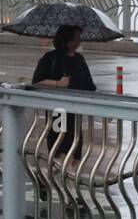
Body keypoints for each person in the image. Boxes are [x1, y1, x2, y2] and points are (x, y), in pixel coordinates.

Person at [31, 23, 96, 169]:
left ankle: (60, 176)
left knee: (75, 149)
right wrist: (57, 84)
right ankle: (61, 180)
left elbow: (89, 86)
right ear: (67, 40)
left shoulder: (79, 59)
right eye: (76, 39)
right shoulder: (50, 58)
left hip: (75, 111)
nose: (79, 42)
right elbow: (36, 82)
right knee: (60, 147)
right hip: (58, 110)